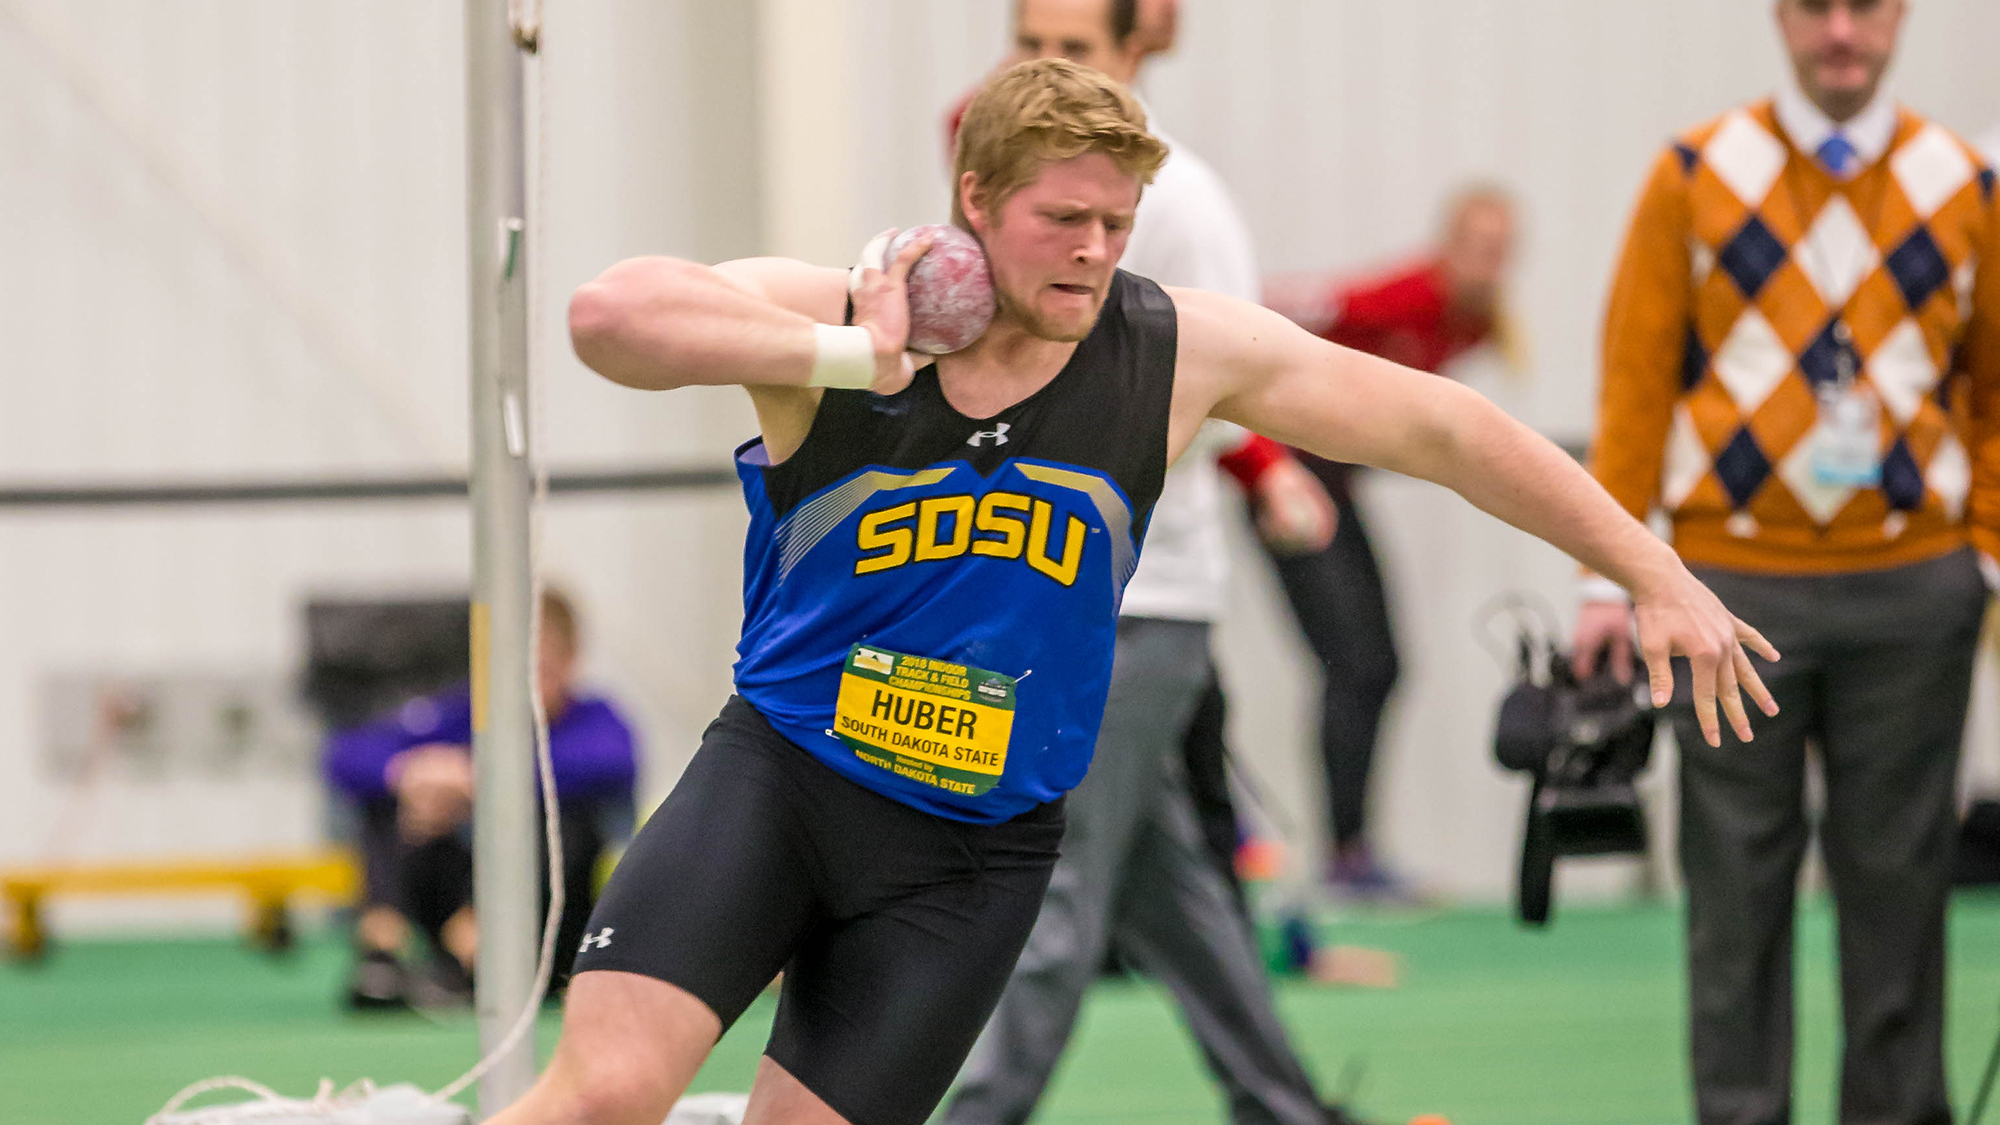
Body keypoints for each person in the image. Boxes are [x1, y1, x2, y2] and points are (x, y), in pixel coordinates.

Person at [494, 58, 1773, 1125]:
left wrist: (1649, 569)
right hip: (780, 787)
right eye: (1064, 221)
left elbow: (1437, 428)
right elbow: (611, 316)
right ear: (974, 200)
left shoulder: (1170, 356)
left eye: (1118, 223)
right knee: (605, 1096)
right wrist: (851, 351)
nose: (1095, 253)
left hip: (970, 857)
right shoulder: (840, 321)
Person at [1570, 2, 2000, 1122]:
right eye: (1815, 7)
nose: (1840, 33)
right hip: (1726, 590)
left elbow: (1994, 390)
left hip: (1916, 588)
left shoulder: (1967, 182)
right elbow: (1633, 386)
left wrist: (1987, 557)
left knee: (1900, 888)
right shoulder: (1694, 172)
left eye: (1864, 7)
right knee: (1733, 894)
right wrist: (1604, 579)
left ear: (1897, 16)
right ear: (1780, 17)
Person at [931, 4, 1358, 1125]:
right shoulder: (997, 179)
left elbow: (1232, 381)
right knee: (1168, 888)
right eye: (1026, 47)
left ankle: (977, 1112)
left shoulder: (1187, 208)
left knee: (1050, 879)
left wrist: (1267, 470)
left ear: (1134, 54)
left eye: (1069, 52)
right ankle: (1284, 1106)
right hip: (1043, 594)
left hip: (1137, 605)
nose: (1035, 70)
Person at [1261, 186, 1518, 898]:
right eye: (1477, 248)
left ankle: (1353, 851)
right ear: (1446, 247)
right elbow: (1280, 309)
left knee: (1380, 664)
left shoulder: (1474, 324)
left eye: (1501, 253)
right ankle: (1344, 856)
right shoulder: (1409, 296)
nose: (1489, 266)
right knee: (1356, 663)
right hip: (1286, 475)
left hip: (1334, 483)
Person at [323, 587, 637, 1008]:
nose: (524, 685)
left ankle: (477, 950)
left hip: (553, 923)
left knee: (561, 821)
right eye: (511, 669)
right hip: (453, 896)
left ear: (570, 662)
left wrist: (480, 779)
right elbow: (346, 755)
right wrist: (411, 774)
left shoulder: (596, 720)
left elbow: (609, 763)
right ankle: (384, 949)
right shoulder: (460, 715)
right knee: (392, 805)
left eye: (539, 670)